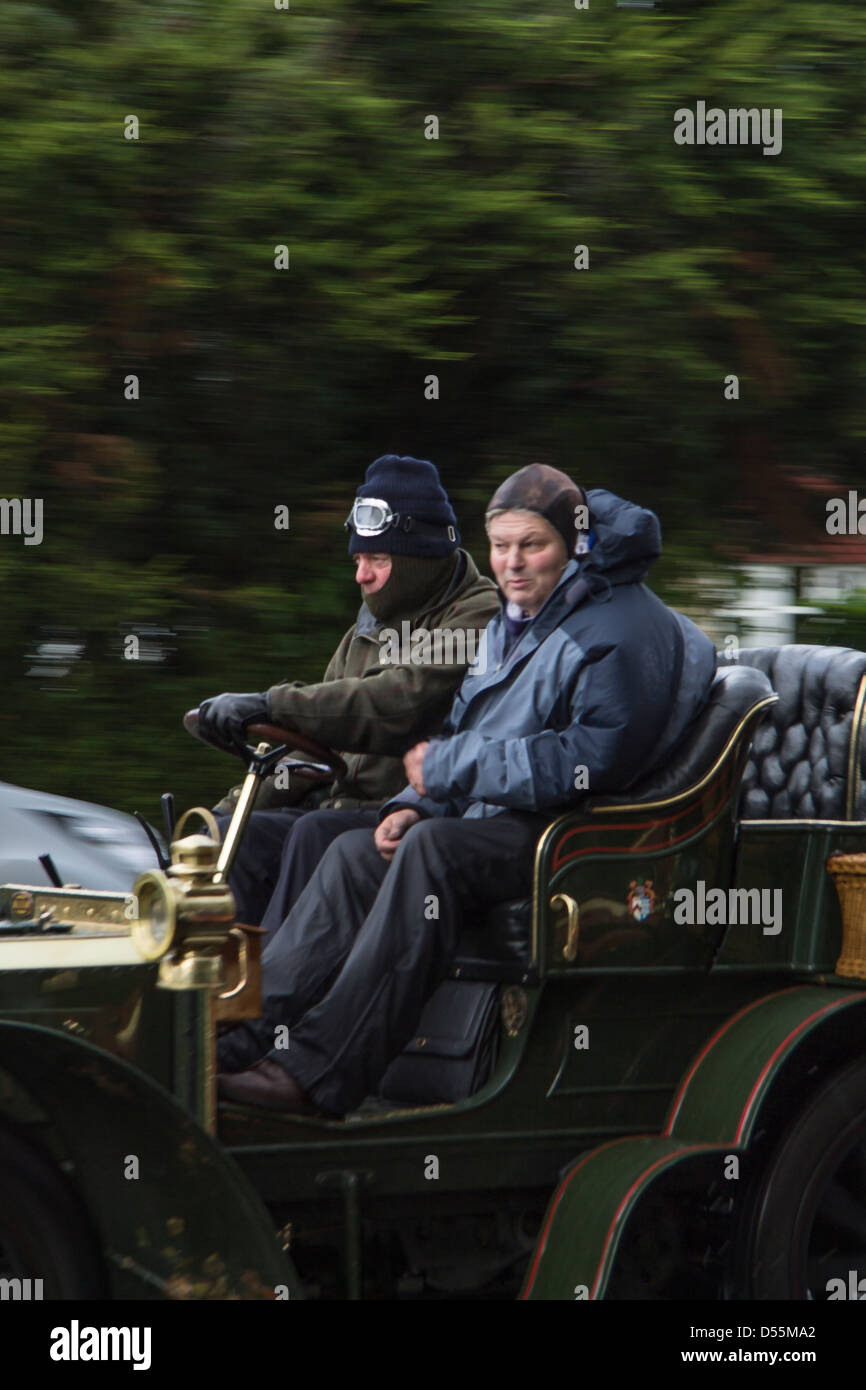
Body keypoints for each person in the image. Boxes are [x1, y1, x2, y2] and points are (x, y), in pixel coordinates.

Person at [217, 465, 717, 1115]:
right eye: (500, 545)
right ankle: (243, 1038)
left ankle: (317, 1078)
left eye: (531, 546)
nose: (511, 563)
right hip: (508, 816)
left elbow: (589, 764)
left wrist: (453, 780)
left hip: (570, 836)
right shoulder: (528, 616)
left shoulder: (621, 628)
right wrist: (411, 805)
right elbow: (470, 734)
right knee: (349, 847)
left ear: (573, 544)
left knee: (432, 854)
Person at [199, 455, 498, 939]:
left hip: (416, 816)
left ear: (421, 557)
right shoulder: (366, 629)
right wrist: (228, 810)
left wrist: (271, 703)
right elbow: (304, 744)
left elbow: (397, 703)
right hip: (340, 809)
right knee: (236, 838)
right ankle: (219, 990)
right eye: (358, 559)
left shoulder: (478, 616)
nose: (361, 575)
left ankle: (275, 995)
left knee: (310, 834)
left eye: (378, 560)